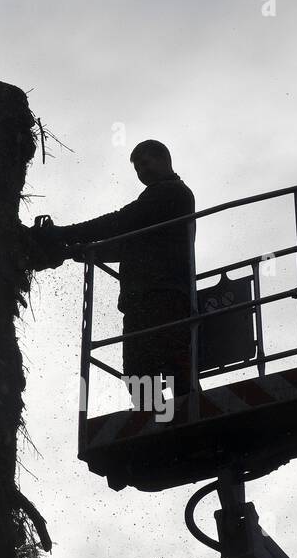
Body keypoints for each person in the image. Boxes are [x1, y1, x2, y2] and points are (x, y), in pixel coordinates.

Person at [33, 140, 196, 397]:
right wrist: (77, 251)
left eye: (145, 162)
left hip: (164, 295)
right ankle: (155, 419)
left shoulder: (171, 193)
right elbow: (124, 247)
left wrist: (64, 234)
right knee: (137, 372)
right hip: (140, 298)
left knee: (173, 364)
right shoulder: (158, 205)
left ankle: (182, 414)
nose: (142, 171)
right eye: (137, 168)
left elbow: (120, 221)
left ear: (165, 159)